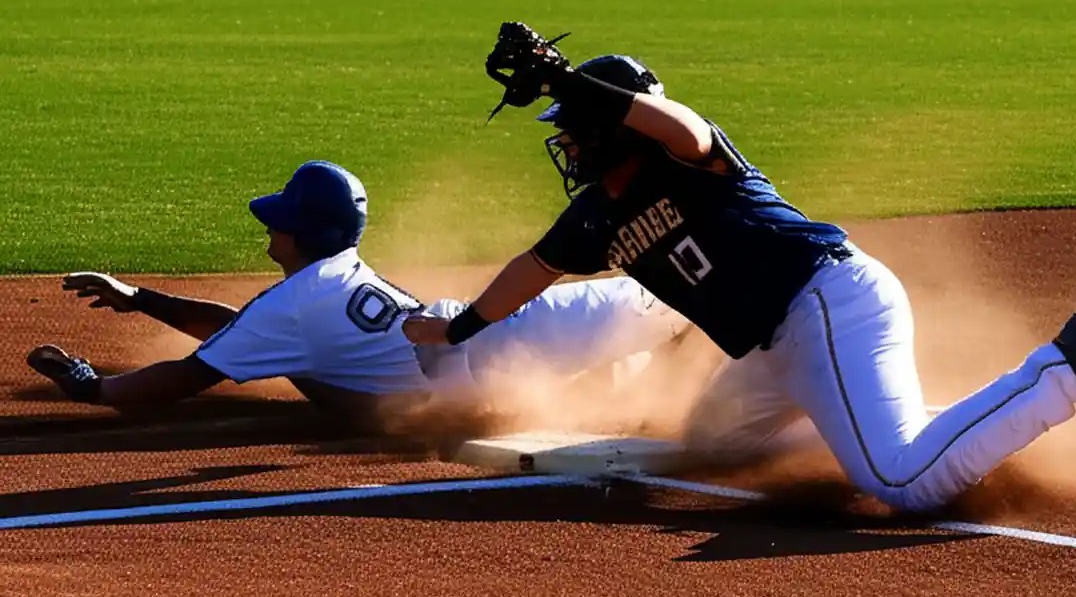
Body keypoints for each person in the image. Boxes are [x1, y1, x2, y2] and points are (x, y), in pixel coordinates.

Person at [402, 22, 1076, 512]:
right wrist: (460, 328)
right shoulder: (595, 217)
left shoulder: (689, 157)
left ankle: (1069, 368)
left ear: (617, 127)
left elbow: (680, 121)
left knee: (901, 483)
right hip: (778, 349)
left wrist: (573, 79)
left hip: (827, 307)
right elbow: (530, 271)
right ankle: (894, 415)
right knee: (710, 442)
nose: (566, 140)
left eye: (573, 125)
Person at [27, 160, 689, 428]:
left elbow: (183, 379)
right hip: (506, 352)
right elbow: (239, 332)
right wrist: (141, 297)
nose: (269, 225)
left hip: (516, 341)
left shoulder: (294, 305)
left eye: (279, 217)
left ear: (302, 231)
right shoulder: (322, 282)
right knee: (671, 312)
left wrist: (94, 388)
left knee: (685, 292)